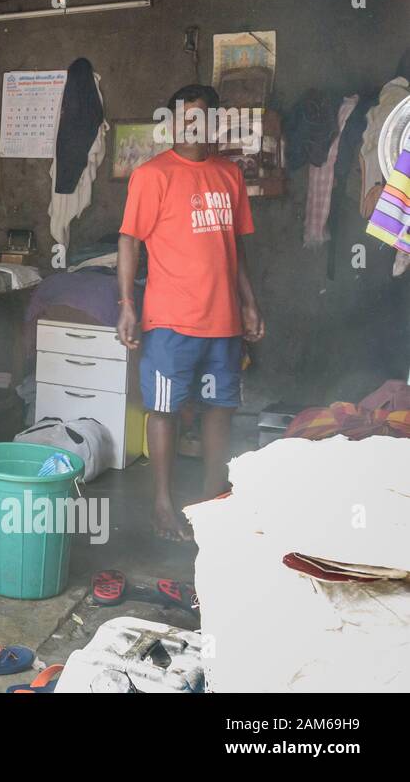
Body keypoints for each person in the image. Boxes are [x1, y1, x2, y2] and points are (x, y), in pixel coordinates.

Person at [117, 85, 265, 542]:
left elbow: (233, 244)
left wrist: (248, 301)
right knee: (163, 409)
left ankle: (212, 501)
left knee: (220, 409)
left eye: (201, 119)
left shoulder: (229, 176)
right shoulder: (152, 175)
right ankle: (163, 506)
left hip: (223, 321)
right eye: (184, 118)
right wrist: (126, 304)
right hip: (170, 322)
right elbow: (129, 240)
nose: (191, 127)